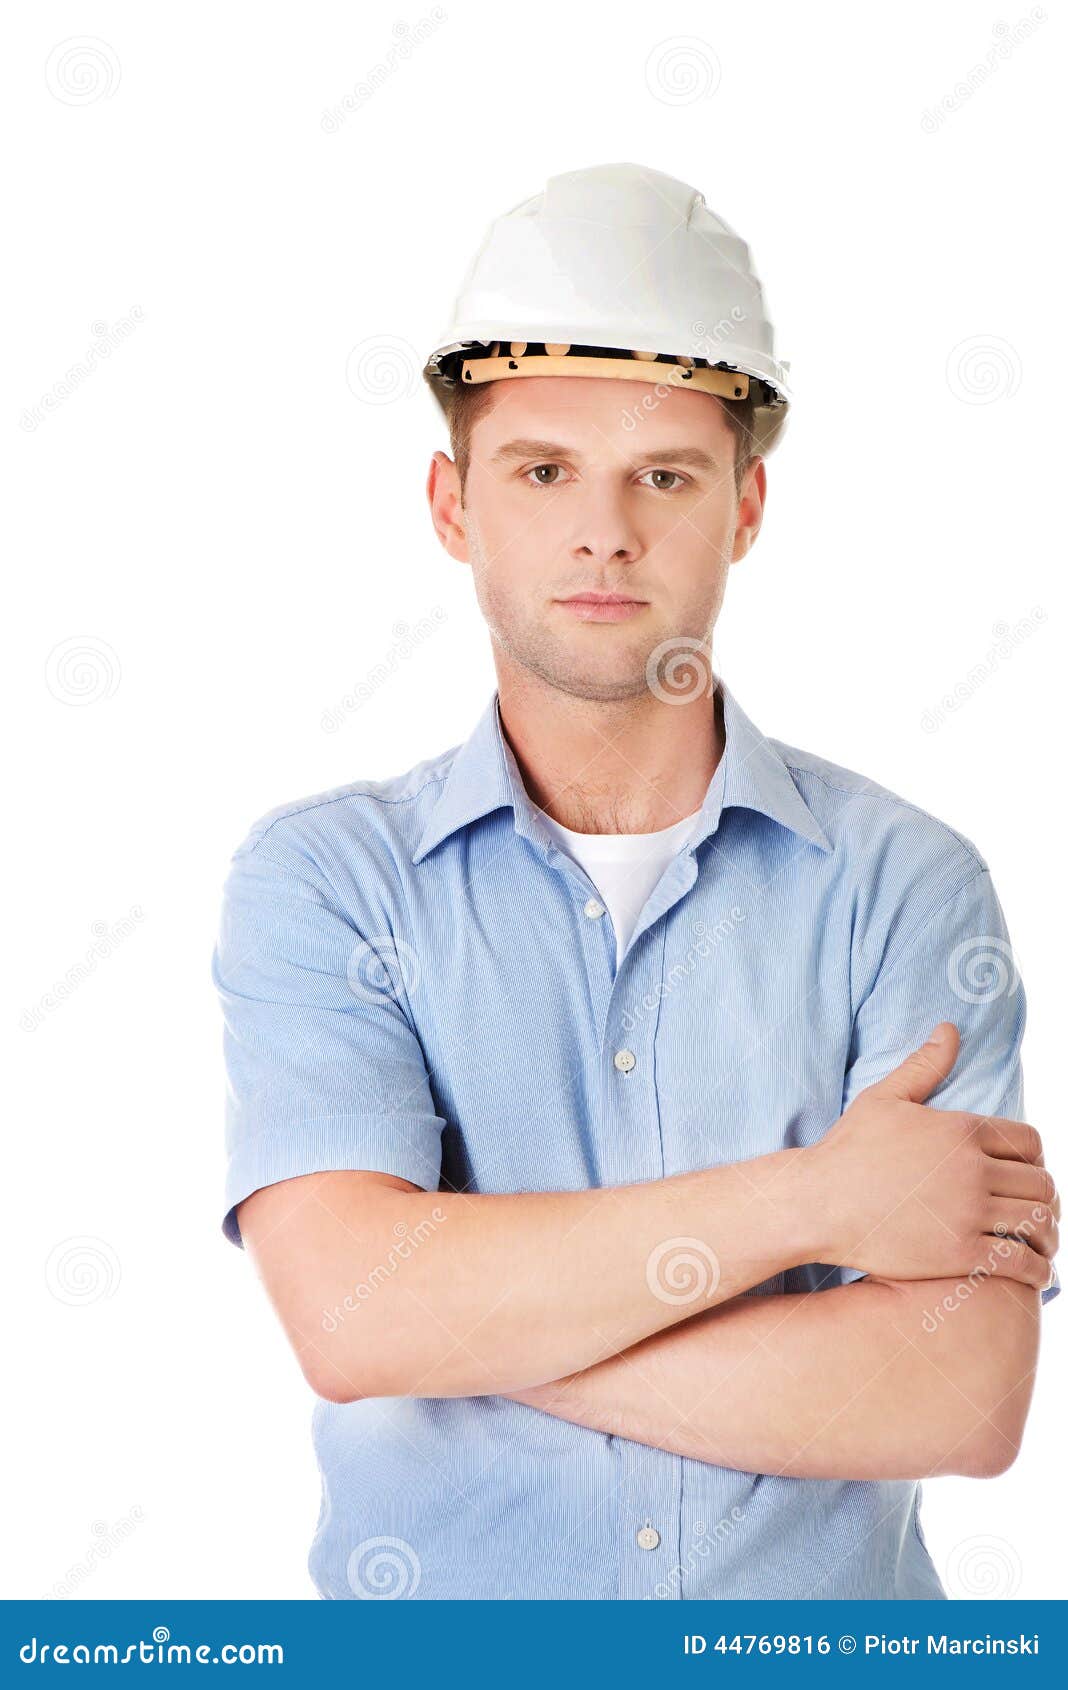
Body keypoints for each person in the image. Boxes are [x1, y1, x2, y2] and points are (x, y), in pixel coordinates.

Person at [211, 163, 1060, 1601]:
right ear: (452, 502)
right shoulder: (328, 883)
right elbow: (354, 1318)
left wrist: (479, 1327)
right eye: (544, 470)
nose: (605, 530)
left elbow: (960, 1397)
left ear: (746, 506)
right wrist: (819, 1202)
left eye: (664, 475)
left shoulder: (906, 883)